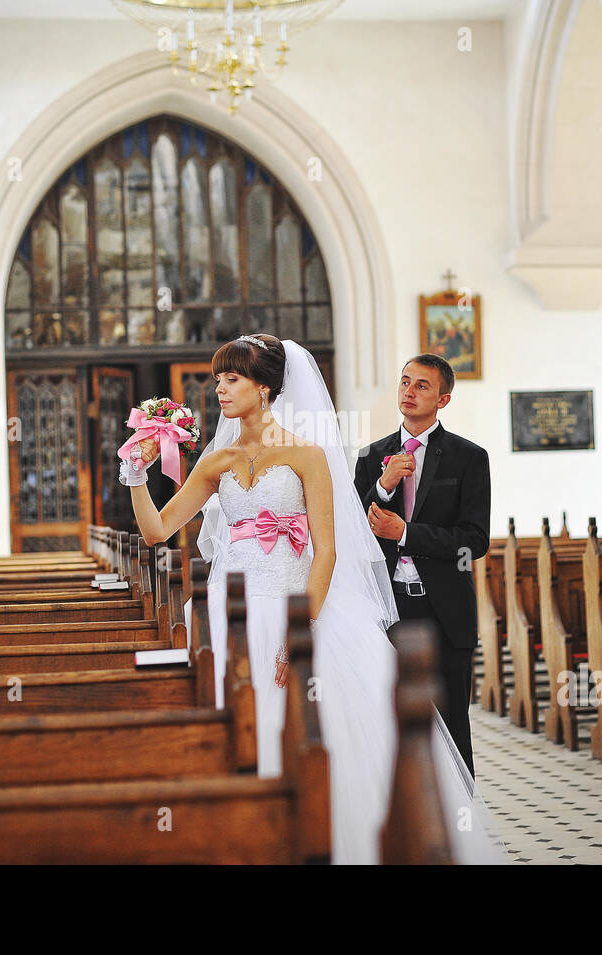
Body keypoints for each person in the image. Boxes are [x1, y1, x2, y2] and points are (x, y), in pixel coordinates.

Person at [118, 334, 507, 864]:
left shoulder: (308, 455)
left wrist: (297, 632)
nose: (221, 389)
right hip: (230, 613)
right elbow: (159, 531)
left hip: (300, 612)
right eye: (218, 380)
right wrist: (136, 475)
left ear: (265, 387)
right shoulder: (217, 461)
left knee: (315, 733)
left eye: (232, 379)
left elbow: (326, 552)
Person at [354, 353, 489, 777]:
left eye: (422, 386)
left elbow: (474, 540)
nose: (409, 392)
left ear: (443, 399)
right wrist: (384, 484)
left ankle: (461, 827)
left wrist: (407, 534)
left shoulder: (469, 457)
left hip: (444, 611)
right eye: (405, 382)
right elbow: (351, 527)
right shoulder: (371, 456)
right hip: (386, 608)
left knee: (451, 724)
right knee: (390, 720)